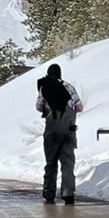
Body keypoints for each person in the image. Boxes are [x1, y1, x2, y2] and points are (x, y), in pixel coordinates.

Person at [36, 63, 84, 204]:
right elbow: (79, 107)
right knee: (68, 162)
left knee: (51, 162)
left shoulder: (44, 87)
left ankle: (49, 192)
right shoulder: (69, 87)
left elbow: (39, 107)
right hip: (68, 131)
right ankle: (68, 192)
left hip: (51, 131)